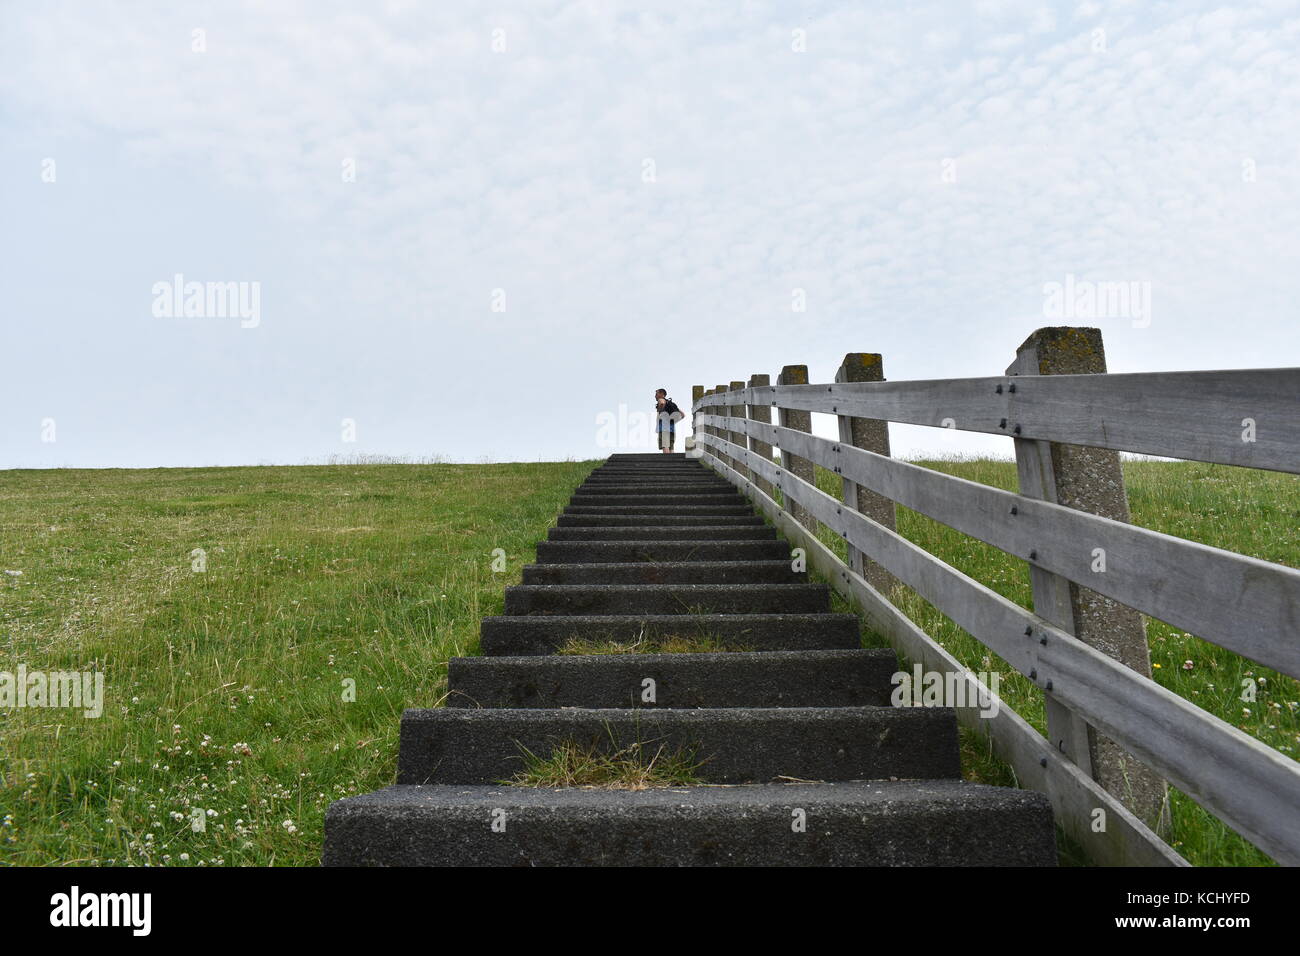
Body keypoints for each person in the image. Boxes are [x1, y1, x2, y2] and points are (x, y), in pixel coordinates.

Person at [655, 388, 683, 453]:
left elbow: (661, 403)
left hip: (663, 428)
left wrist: (660, 410)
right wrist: (673, 421)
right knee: (671, 447)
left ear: (662, 394)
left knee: (665, 445)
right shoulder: (670, 403)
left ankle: (666, 462)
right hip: (672, 428)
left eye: (656, 394)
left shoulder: (661, 400)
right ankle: (673, 462)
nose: (655, 396)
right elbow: (683, 415)